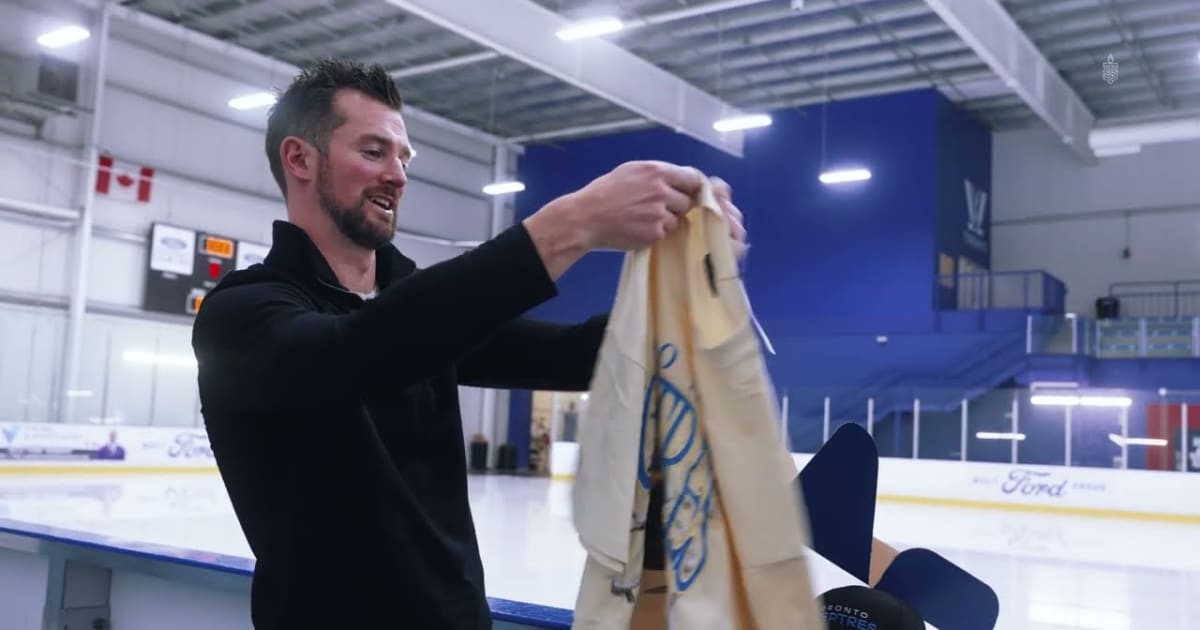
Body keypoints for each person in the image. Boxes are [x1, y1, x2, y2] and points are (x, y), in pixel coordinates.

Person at [191, 58, 747, 630]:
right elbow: (359, 352)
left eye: (403, 158)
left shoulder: (412, 314)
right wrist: (573, 224)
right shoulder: (242, 316)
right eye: (373, 151)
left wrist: (695, 284)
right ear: (299, 158)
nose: (398, 175)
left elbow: (581, 354)